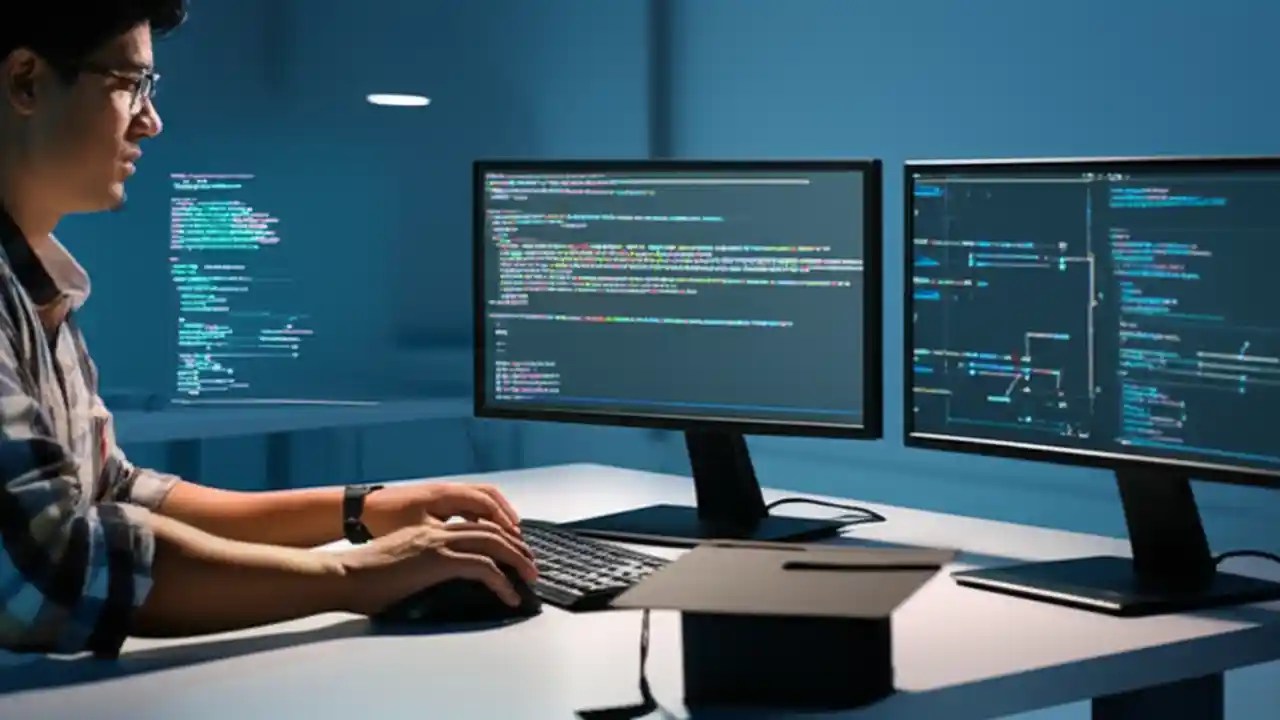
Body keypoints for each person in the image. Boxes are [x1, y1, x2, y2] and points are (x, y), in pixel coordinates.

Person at [0, 0, 537, 658]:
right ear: (26, 80)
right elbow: (49, 570)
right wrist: (359, 575)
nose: (151, 121)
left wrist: (363, 510)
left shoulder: (33, 287)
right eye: (130, 85)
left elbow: (114, 491)